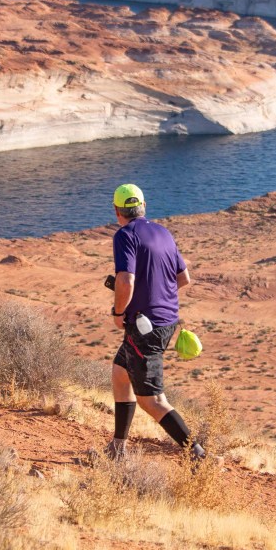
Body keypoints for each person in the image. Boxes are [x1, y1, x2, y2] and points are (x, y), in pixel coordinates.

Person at [107, 183, 205, 461]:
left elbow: (126, 280)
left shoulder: (125, 235)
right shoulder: (162, 232)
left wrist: (117, 312)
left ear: (117, 211)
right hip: (165, 321)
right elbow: (183, 278)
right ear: (144, 207)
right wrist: (155, 293)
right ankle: (118, 447)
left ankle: (196, 455)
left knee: (152, 400)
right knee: (120, 373)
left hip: (143, 328)